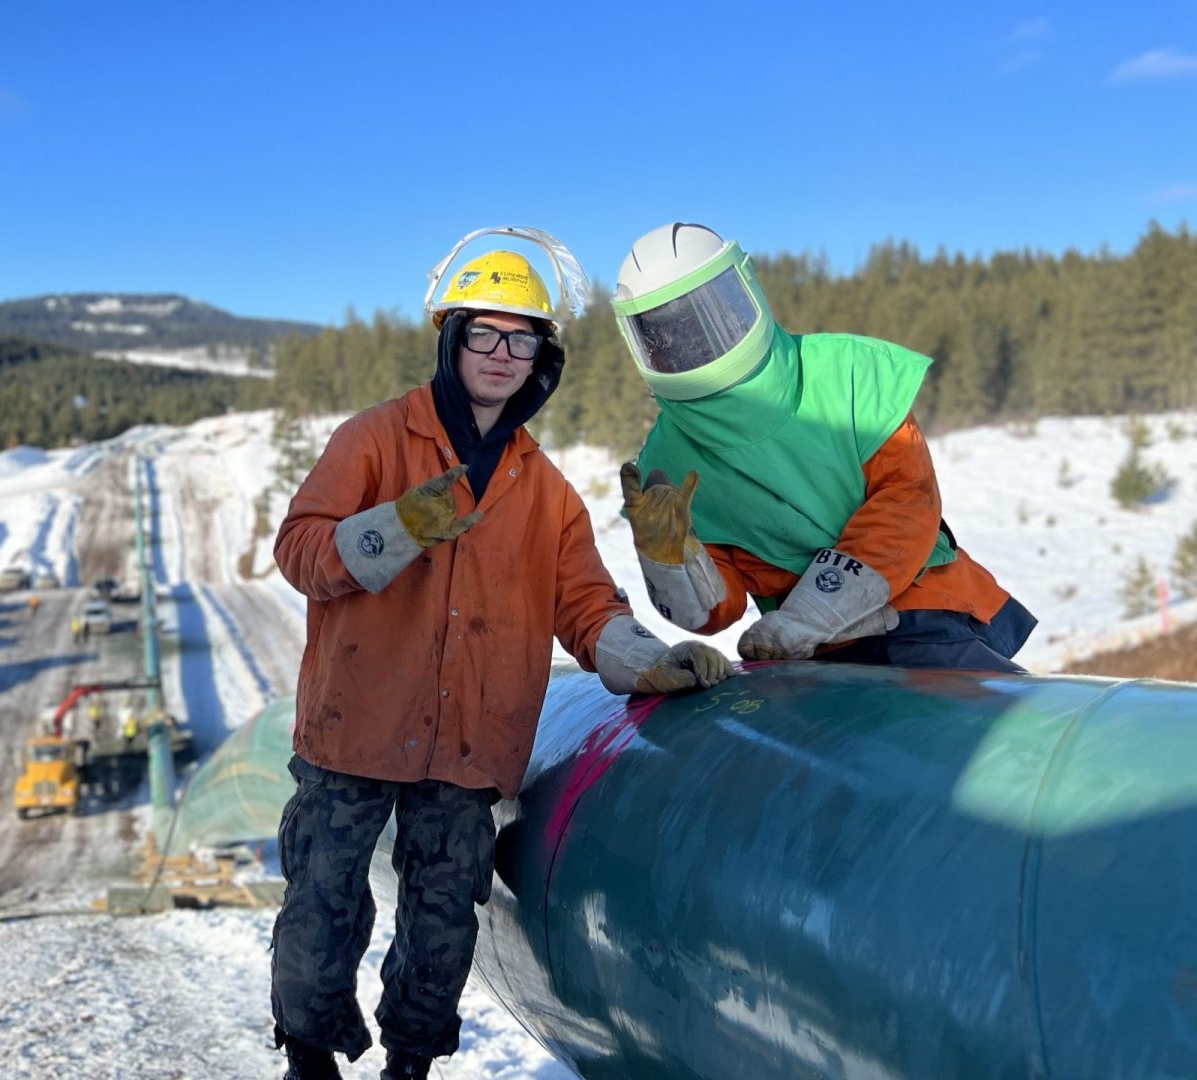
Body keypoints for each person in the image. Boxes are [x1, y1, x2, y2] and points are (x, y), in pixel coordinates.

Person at [270, 229, 736, 1080]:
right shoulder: (373, 440)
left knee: (445, 923)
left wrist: (648, 659)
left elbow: (586, 606)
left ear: (541, 361)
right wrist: (394, 529)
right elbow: (300, 550)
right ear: (451, 338)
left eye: (521, 341)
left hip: (470, 745)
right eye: (483, 333)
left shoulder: (545, 492)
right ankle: (309, 1058)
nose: (500, 354)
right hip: (355, 729)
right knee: (320, 909)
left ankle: (410, 1065)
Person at [610, 222, 1035, 670]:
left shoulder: (848, 374)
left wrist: (810, 615)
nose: (693, 342)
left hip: (921, 607)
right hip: (801, 655)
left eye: (708, 316)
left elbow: (906, 504)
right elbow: (720, 608)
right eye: (667, 333)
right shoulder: (667, 460)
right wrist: (672, 564)